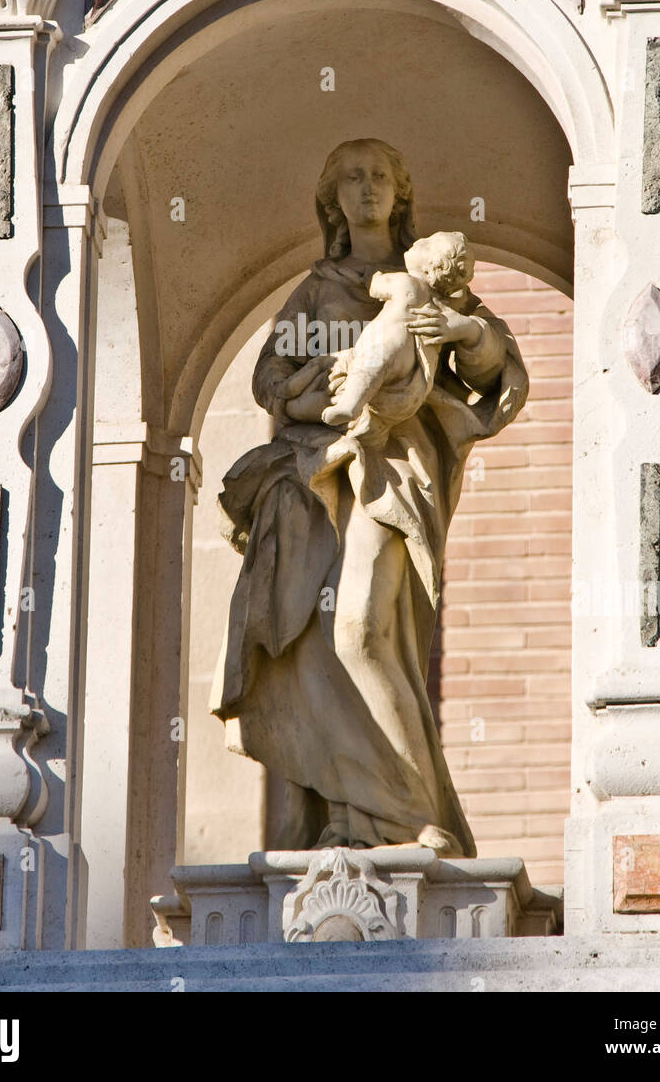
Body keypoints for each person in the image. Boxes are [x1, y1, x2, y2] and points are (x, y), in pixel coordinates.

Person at [211, 138, 528, 856]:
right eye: (352, 177)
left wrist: (463, 329)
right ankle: (348, 815)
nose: (368, 188)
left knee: (360, 629)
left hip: (393, 470)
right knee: (310, 644)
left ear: (401, 192)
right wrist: (310, 387)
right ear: (333, 198)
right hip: (317, 471)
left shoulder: (424, 278)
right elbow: (269, 377)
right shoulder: (317, 288)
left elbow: (497, 368)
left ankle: (417, 810)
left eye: (381, 176)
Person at [322, 230, 475, 448]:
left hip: (389, 344)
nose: (417, 243)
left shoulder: (404, 282)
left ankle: (350, 404)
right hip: (414, 381)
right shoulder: (443, 305)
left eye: (424, 244)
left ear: (429, 266)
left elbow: (375, 286)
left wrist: (365, 275)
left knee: (371, 364)